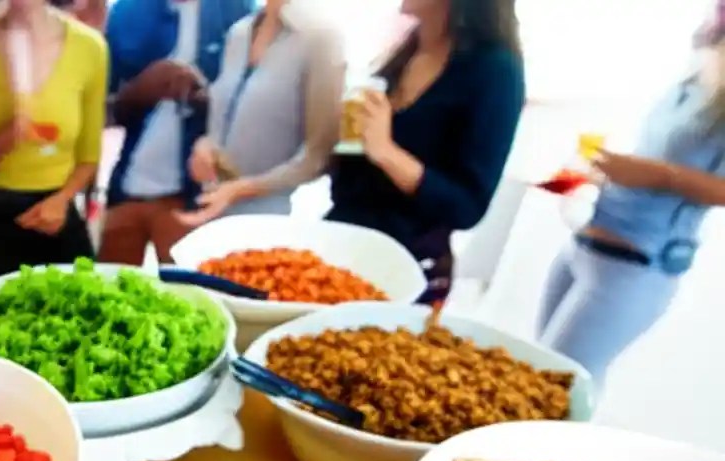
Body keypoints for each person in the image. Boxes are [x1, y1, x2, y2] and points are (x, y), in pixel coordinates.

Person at [537, 4, 725, 391]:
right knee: (536, 374)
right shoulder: (696, 76)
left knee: (557, 392)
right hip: (588, 241)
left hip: (636, 266)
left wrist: (658, 176)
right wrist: (607, 172)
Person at [326, 0, 525, 304]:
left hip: (404, 269)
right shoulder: (406, 52)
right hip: (340, 245)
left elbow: (467, 207)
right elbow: (352, 177)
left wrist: (387, 152)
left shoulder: (495, 70)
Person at [0, 0, 107, 277]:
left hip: (58, 217)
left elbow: (89, 156)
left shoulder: (89, 49)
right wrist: (8, 138)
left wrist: (62, 199)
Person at [99, 0, 256, 265]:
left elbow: (253, 110)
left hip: (196, 196)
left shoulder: (238, 12)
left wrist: (205, 98)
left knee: (189, 296)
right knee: (107, 291)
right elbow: (102, 110)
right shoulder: (126, 12)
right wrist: (140, 90)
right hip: (124, 189)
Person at [178, 0, 344, 225]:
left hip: (275, 221)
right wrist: (204, 146)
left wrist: (243, 189)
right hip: (214, 214)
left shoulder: (321, 38)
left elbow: (318, 157)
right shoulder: (238, 32)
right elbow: (222, 124)